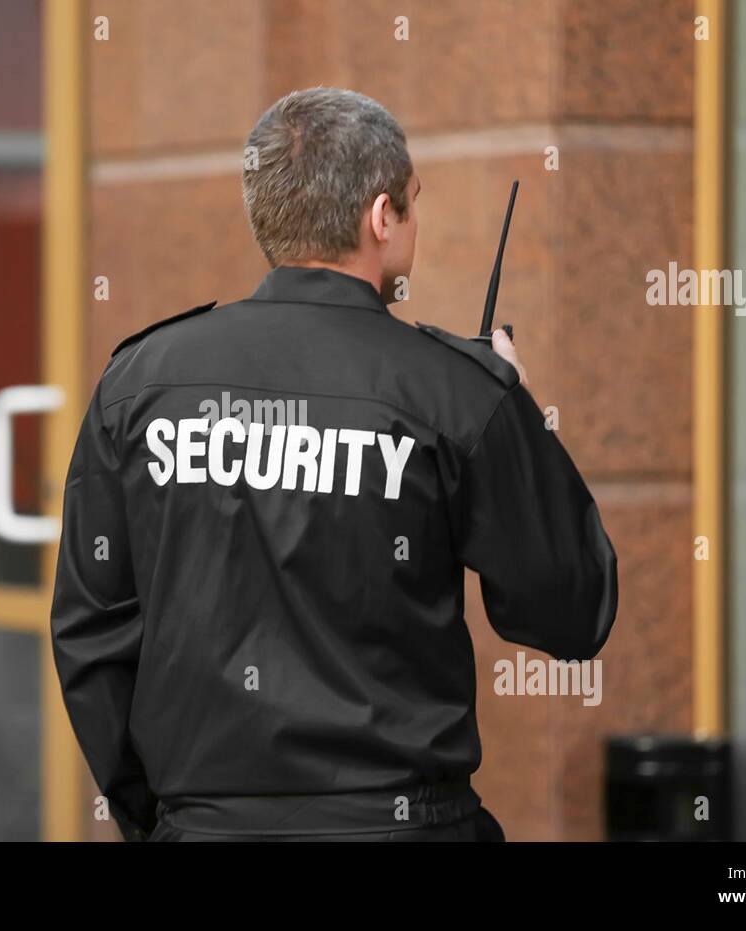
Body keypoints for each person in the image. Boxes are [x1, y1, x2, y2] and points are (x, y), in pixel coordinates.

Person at [51, 87, 618, 842]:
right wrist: (512, 406)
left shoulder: (139, 384)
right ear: (381, 216)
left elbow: (92, 631)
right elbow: (569, 609)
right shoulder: (453, 392)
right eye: (413, 202)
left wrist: (163, 818)